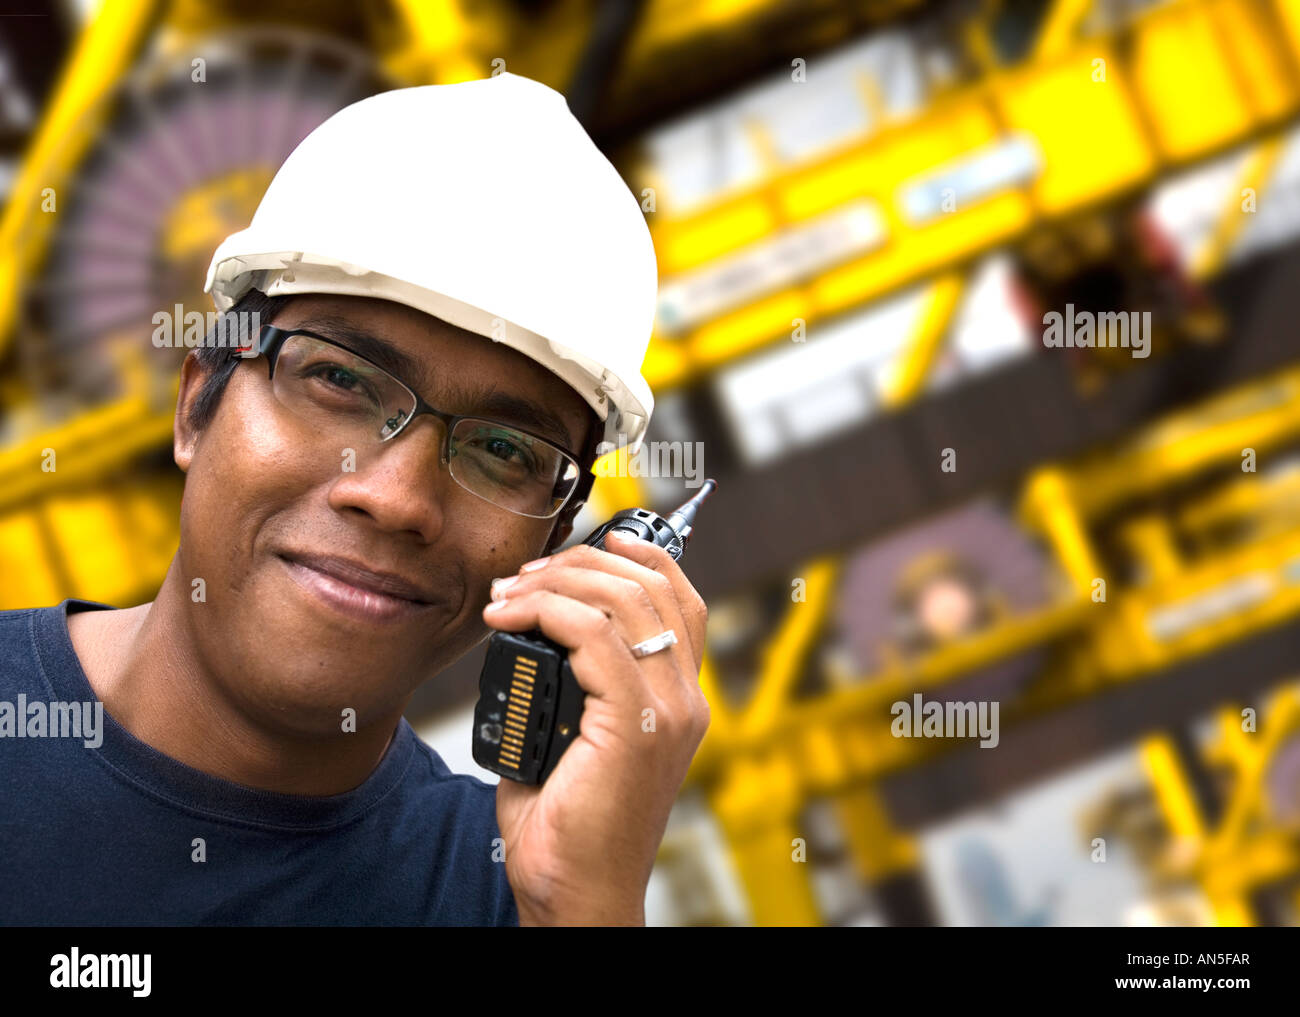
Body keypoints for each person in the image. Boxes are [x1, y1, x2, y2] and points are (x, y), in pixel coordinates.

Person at [0, 72, 710, 926]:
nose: (396, 497)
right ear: (197, 404)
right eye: (338, 379)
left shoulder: (515, 894)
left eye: (501, 448)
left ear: (552, 543)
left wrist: (583, 907)